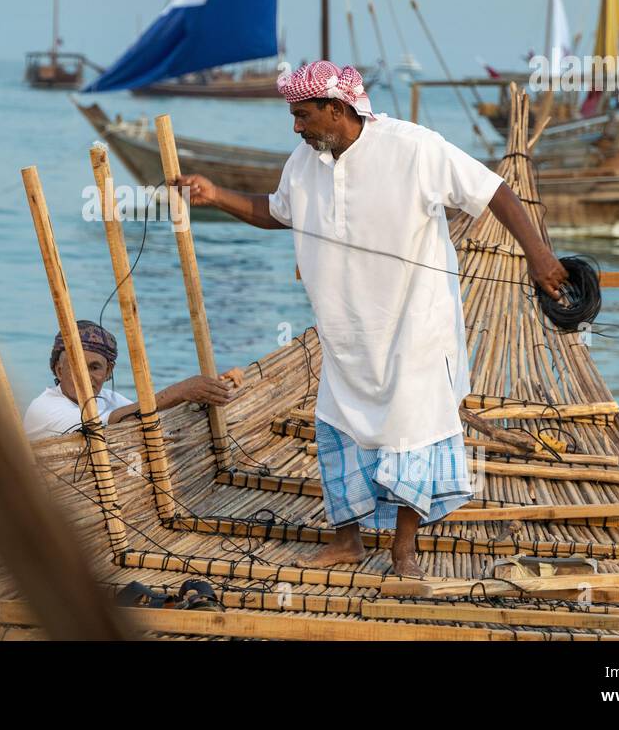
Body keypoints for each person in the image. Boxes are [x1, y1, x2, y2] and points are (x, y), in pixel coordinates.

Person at [171, 61, 567, 576]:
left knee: (411, 426)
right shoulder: (305, 160)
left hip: (415, 324)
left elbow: (492, 190)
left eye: (303, 115)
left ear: (337, 109)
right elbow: (278, 211)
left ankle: (403, 552)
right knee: (338, 425)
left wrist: (539, 257)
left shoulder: (413, 147)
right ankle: (348, 542)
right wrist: (215, 194)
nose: (296, 127)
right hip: (345, 329)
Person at [22, 320, 242, 441]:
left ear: (109, 372)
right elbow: (114, 422)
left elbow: (152, 413)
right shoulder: (45, 408)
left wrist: (216, 384)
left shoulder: (107, 399)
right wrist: (181, 390)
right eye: (76, 367)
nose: (85, 376)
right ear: (59, 370)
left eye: (95, 367)